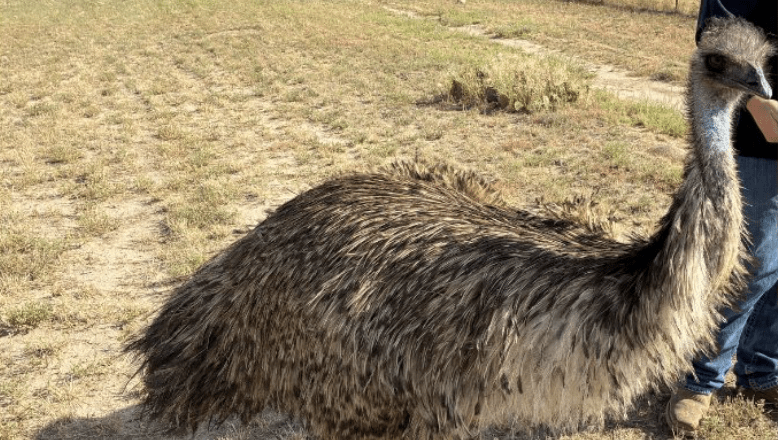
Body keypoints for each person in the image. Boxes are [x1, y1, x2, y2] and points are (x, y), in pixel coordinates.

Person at [666, 0, 778, 434]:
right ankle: (699, 378)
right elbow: (718, 38)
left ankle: (761, 372)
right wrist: (755, 100)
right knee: (746, 266)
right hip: (758, 128)